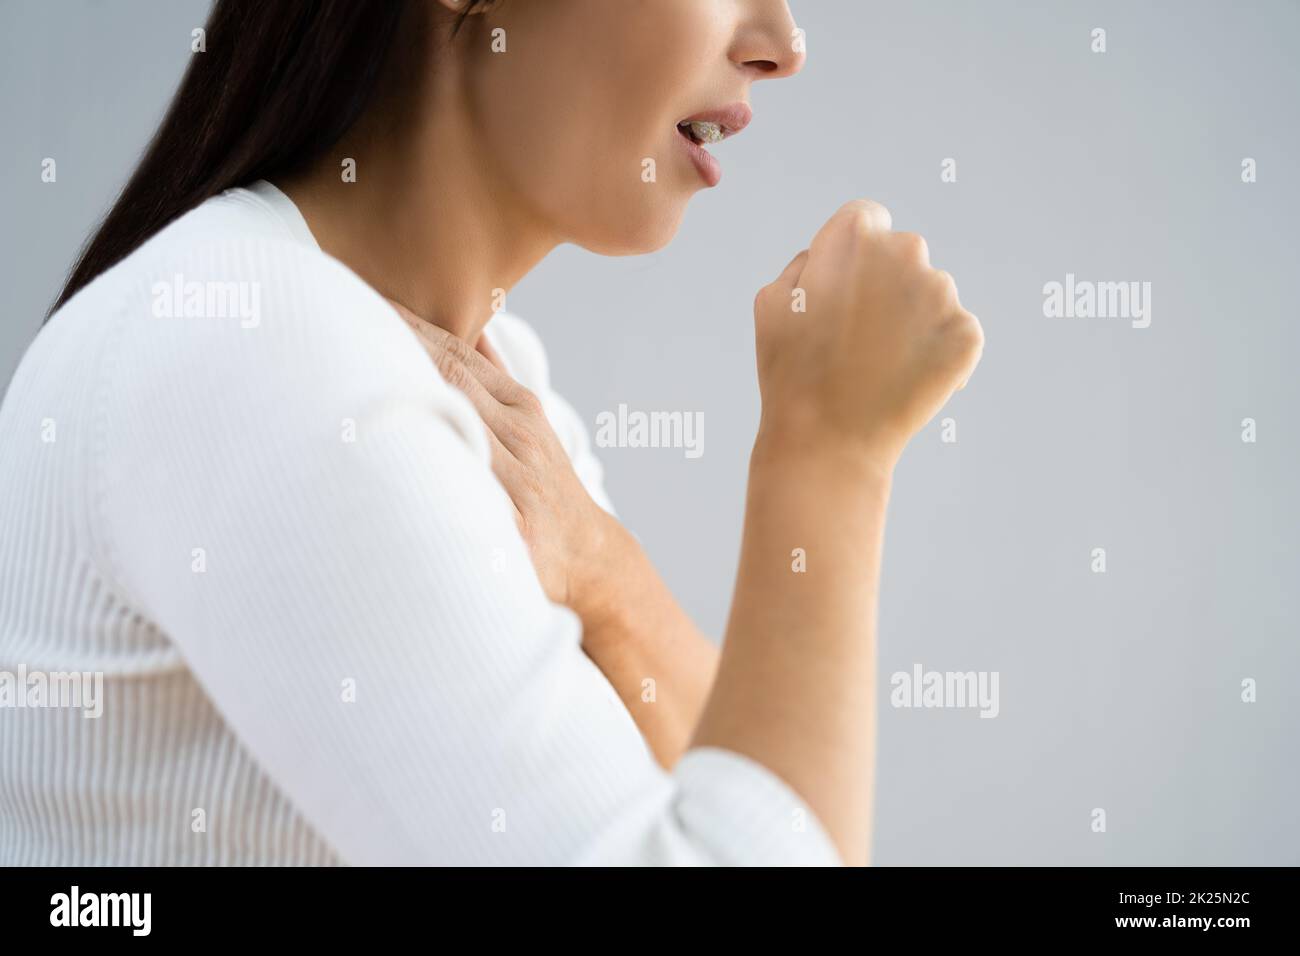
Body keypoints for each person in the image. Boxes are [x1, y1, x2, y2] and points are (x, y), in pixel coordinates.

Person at [0, 0, 983, 865]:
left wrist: (608, 574)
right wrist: (828, 454)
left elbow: (718, 806)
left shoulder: (500, 387)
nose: (780, 43)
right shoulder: (259, 344)